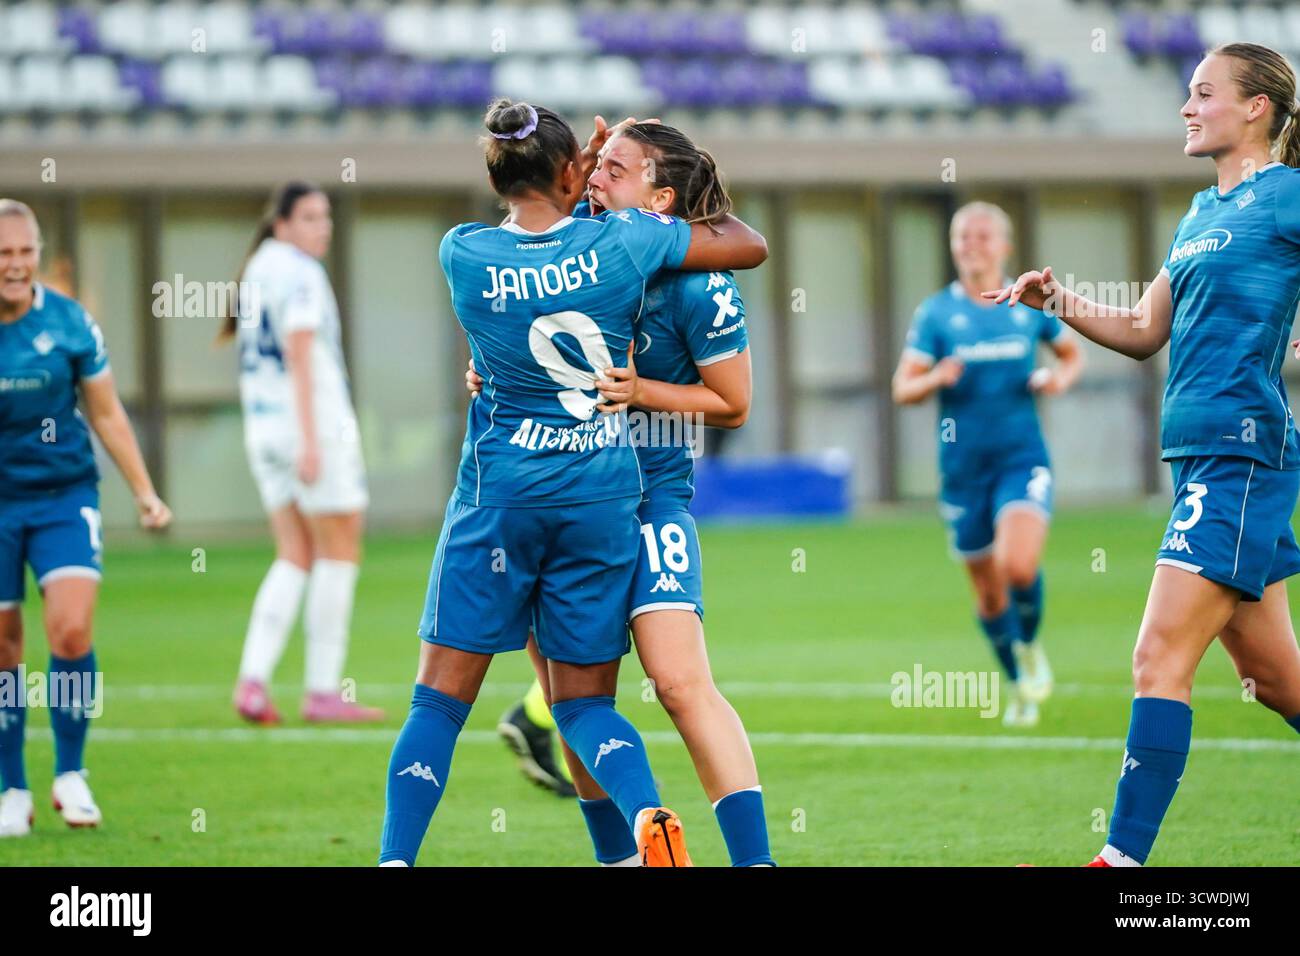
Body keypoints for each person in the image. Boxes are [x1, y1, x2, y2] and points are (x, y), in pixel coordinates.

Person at [377, 100, 767, 867]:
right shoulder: (619, 243)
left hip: (636, 495)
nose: (596, 175)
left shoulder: (693, 278)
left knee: (680, 685)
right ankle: (624, 852)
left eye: (614, 167)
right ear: (569, 171)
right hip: (590, 497)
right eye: (592, 164)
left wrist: (638, 391)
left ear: (661, 199)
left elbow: (735, 402)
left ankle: (754, 861)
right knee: (574, 699)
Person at [986, 43, 1300, 865]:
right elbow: (1142, 330)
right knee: (1277, 683)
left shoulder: (1286, 198)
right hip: (1200, 460)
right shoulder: (1202, 214)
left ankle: (1117, 863)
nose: (1188, 109)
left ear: (1256, 107)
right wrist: (1055, 300)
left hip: (1240, 456)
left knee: (1157, 655)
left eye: (1203, 94)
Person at [0, 199, 172, 837]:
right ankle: (10, 786)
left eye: (25, 252)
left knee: (70, 631)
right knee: (4, 649)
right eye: (4, 255)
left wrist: (144, 491)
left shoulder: (70, 323)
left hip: (62, 495)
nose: (16, 266)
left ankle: (70, 774)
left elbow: (105, 414)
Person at [893, 201, 1083, 727]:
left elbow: (1071, 355)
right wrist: (935, 378)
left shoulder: (1027, 305)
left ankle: (1029, 646)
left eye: (982, 235)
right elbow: (903, 387)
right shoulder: (936, 313)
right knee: (987, 588)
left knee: (1018, 565)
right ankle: (1018, 678)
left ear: (1004, 245)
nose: (971, 244)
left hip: (1021, 458)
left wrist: (1056, 380)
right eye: (962, 236)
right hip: (962, 470)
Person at [222, 183, 382, 725]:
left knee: (295, 551)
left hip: (262, 427)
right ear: (283, 223)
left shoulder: (259, 267)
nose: (323, 226)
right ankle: (321, 691)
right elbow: (298, 353)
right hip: (310, 427)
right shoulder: (301, 273)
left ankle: (252, 680)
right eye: (310, 217)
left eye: (327, 216)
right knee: (341, 549)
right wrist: (312, 441)